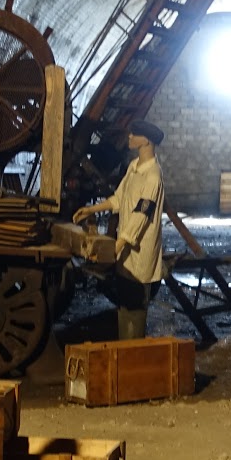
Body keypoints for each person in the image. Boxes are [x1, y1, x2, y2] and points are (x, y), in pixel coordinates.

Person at [72, 120, 166, 339]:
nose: (130, 137)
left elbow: (141, 216)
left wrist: (118, 245)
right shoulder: (134, 167)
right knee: (124, 306)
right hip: (125, 252)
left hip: (139, 254)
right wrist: (91, 209)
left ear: (146, 141)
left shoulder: (153, 176)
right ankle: (125, 349)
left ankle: (134, 352)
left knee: (136, 310)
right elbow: (119, 198)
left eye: (135, 134)